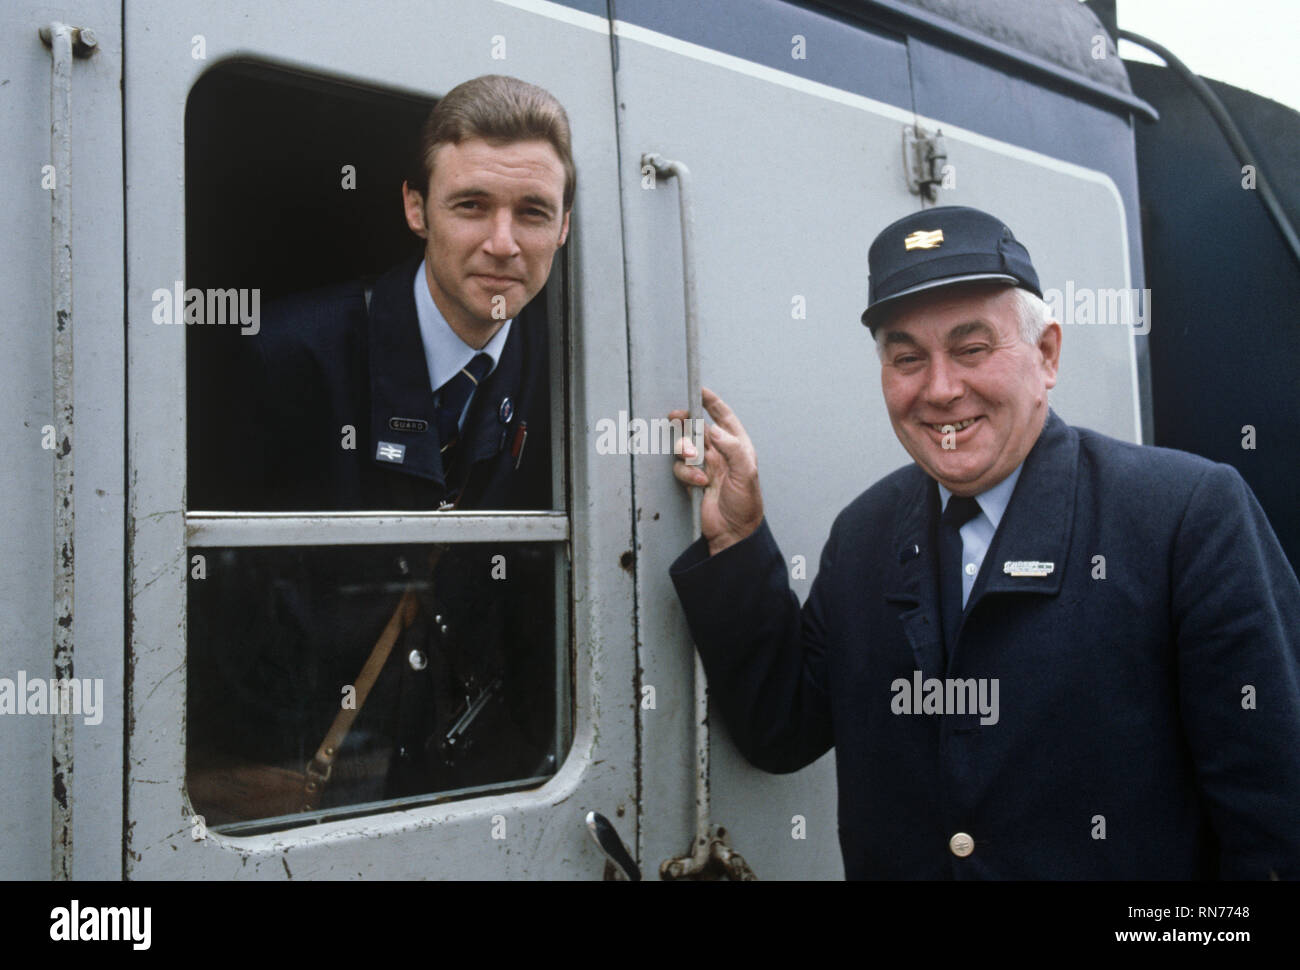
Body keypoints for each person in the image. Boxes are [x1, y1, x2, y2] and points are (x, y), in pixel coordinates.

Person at [668, 205, 1300, 879]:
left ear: (1047, 354)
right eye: (907, 358)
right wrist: (736, 540)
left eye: (972, 350)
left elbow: (1275, 820)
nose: (940, 389)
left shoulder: (1184, 517)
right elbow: (783, 728)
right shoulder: (864, 535)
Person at [187, 75, 572, 824]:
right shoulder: (290, 355)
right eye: (470, 205)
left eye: (532, 212)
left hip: (485, 780)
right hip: (301, 771)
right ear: (414, 208)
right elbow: (214, 592)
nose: (503, 242)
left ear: (563, 228)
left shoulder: (570, 372)